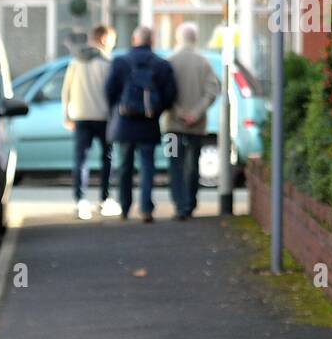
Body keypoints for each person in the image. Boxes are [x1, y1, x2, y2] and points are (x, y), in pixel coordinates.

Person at [105, 26, 177, 223]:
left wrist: (117, 109)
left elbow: (109, 90)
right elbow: (170, 94)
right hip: (149, 123)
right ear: (151, 40)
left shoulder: (120, 62)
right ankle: (146, 208)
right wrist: (156, 111)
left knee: (124, 166)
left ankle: (125, 207)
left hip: (124, 123)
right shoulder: (161, 64)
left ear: (134, 39)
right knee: (147, 166)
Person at [164, 22, 220, 220]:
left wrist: (179, 112)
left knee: (175, 164)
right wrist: (195, 113)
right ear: (195, 39)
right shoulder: (204, 62)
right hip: (197, 127)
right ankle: (190, 204)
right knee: (193, 165)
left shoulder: (169, 61)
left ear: (178, 38)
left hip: (173, 126)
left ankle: (180, 204)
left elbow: (164, 94)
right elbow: (212, 91)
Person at [63, 24, 115, 220]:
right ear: (103, 38)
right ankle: (105, 199)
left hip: (80, 117)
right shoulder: (108, 62)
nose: (113, 44)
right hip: (104, 117)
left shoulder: (75, 62)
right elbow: (112, 92)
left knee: (81, 159)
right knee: (107, 158)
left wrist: (67, 116)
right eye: (112, 39)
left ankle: (80, 200)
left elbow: (65, 90)